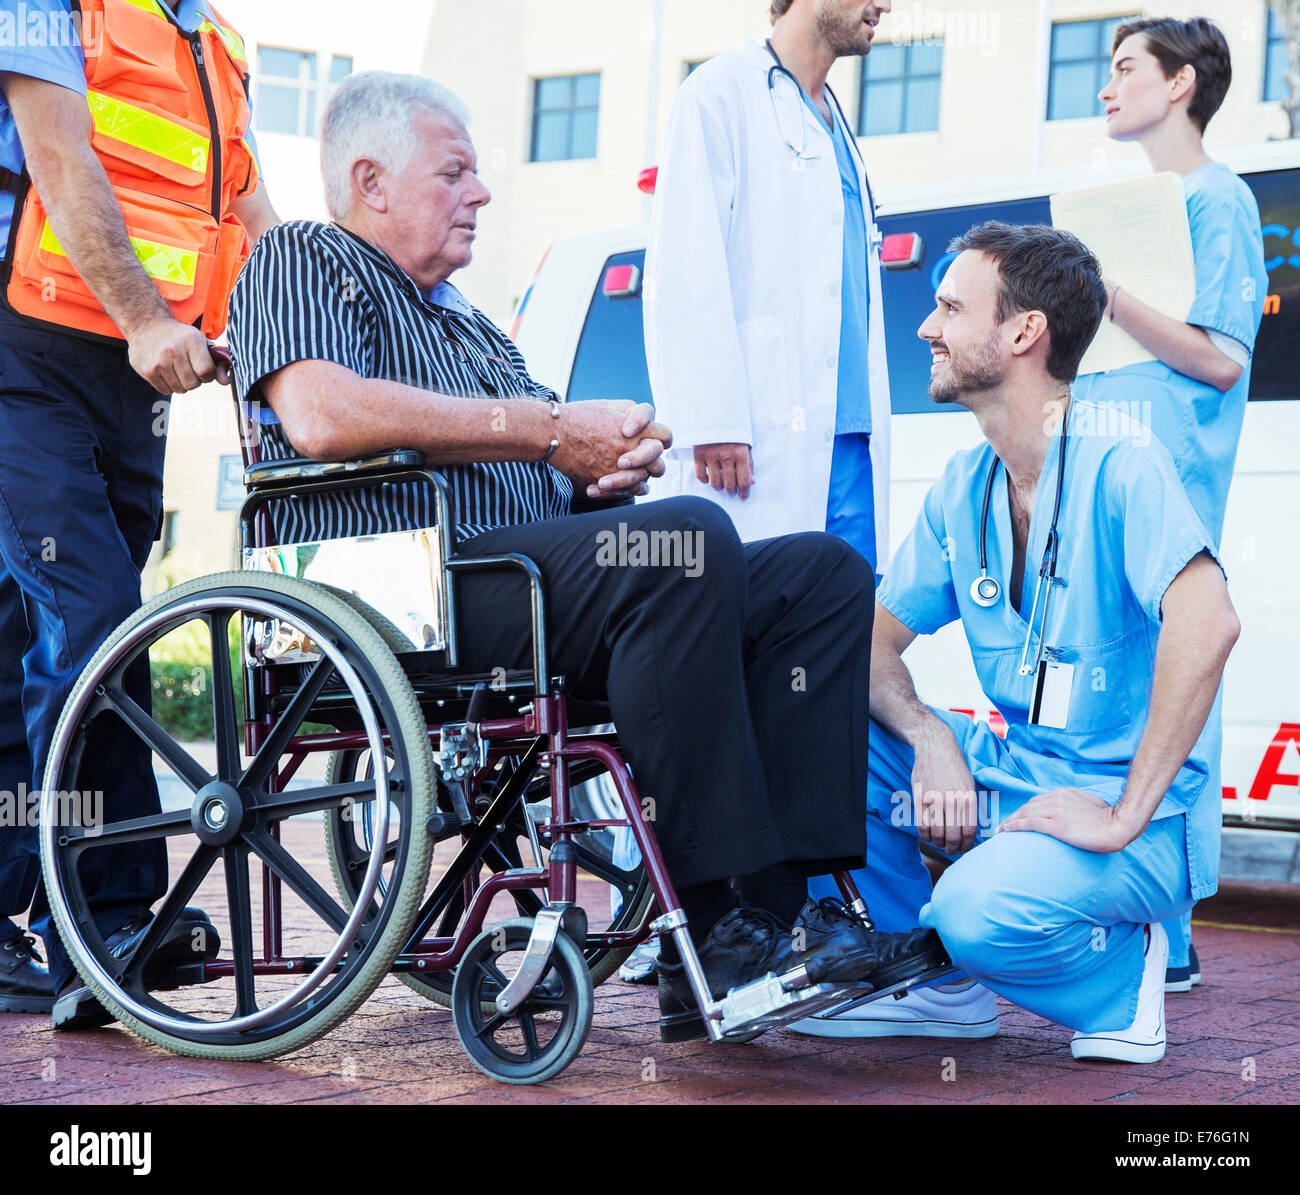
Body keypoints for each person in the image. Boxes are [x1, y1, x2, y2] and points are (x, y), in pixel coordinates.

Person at [225, 70, 950, 1044]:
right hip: (386, 584)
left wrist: (592, 477)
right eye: (455, 173)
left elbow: (535, 460)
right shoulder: (303, 258)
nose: (481, 193)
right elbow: (317, 415)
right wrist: (547, 428)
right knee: (687, 547)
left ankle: (783, 918)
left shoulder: (471, 323)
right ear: (371, 180)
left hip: (505, 578)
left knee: (815, 572)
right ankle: (719, 927)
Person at [791, 222, 1238, 1063]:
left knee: (972, 910)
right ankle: (925, 984)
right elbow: (869, 646)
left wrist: (1121, 812)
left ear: (1024, 332)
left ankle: (1117, 980)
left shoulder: (1122, 463)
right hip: (1016, 779)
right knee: (824, 716)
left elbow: (1209, 621)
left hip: (1139, 819)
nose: (927, 327)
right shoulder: (965, 485)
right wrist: (929, 739)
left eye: (951, 307)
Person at [0, 0, 278, 1027]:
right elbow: (62, 161)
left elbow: (247, 216)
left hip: (130, 366)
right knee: (96, 611)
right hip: (28, 344)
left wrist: (309, 326)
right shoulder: (48, 6)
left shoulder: (212, 37)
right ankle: (106, 919)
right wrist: (149, 319)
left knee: (24, 628)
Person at [1078, 16, 1267, 992]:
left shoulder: (1219, 200)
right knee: (1114, 702)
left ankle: (1171, 931)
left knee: (1175, 696)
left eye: (1123, 69)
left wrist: (1107, 294)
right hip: (1111, 477)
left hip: (1171, 492)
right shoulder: (1138, 205)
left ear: (1181, 83)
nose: (1104, 86)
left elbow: (1221, 355)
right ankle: (1128, 909)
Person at [643, 0, 894, 571]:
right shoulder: (719, 93)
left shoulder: (835, 121)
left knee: (844, 631)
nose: (884, 4)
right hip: (757, 440)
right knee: (768, 631)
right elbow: (686, 263)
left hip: (849, 438)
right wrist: (714, 419)